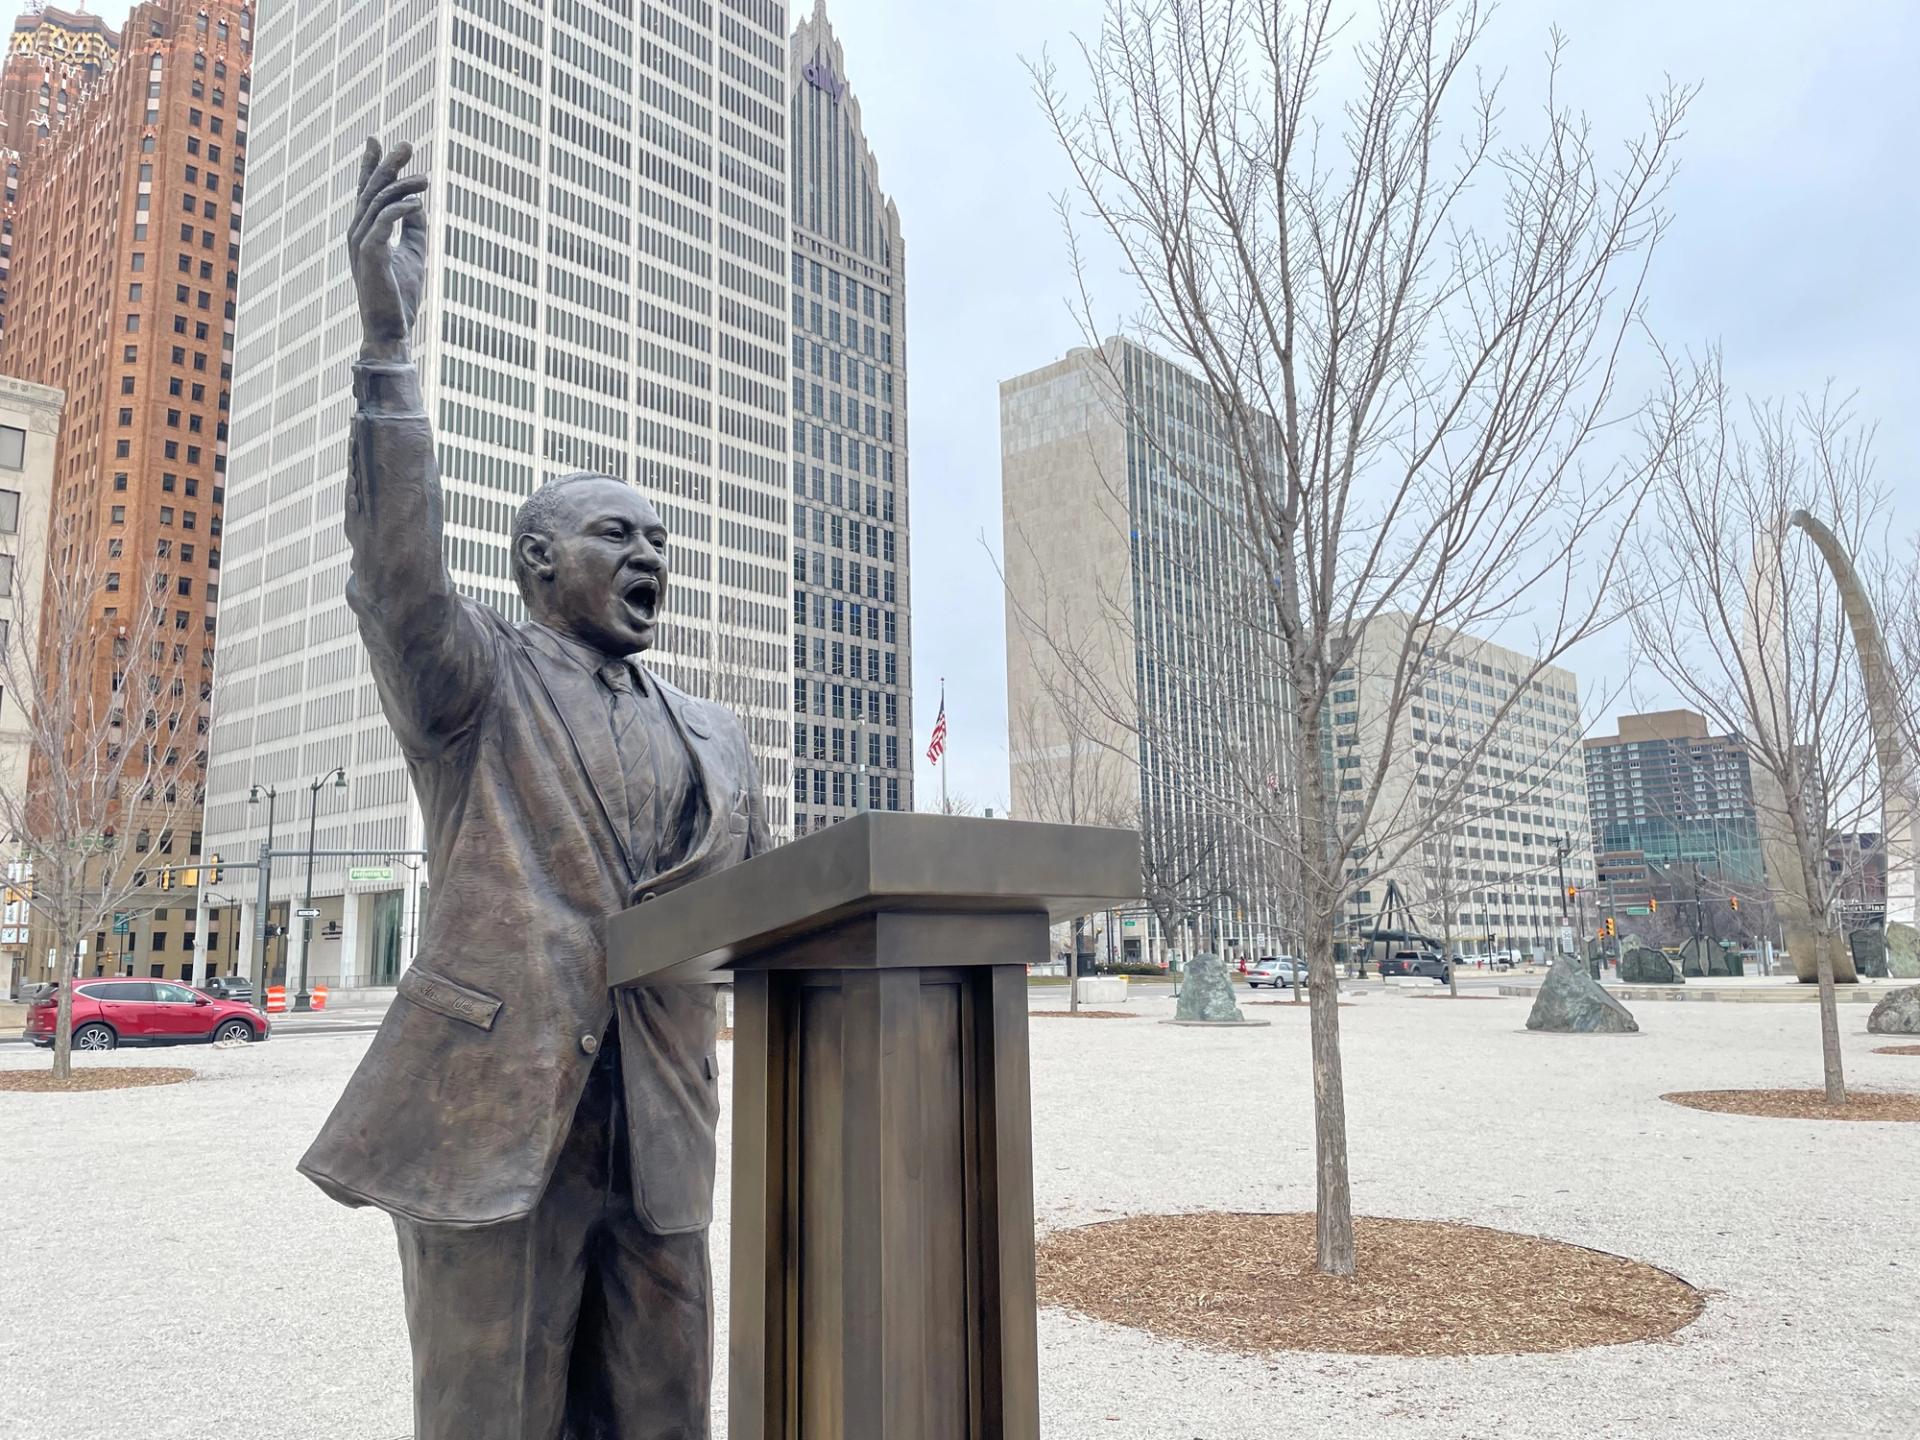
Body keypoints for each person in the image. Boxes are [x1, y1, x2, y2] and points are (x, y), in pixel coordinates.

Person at [297, 139, 770, 1440]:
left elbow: (760, 925)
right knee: (492, 1423)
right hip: (495, 1138)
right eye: (621, 535)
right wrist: (388, 355)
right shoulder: (472, 687)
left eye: (661, 541)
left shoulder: (719, 737)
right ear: (539, 560)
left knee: (662, 1423)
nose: (651, 556)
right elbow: (397, 577)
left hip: (663, 1158)